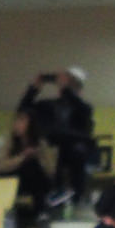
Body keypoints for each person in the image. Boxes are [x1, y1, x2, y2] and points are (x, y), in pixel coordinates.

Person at [19, 67, 93, 209]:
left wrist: (66, 87)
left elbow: (81, 112)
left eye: (73, 85)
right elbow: (23, 110)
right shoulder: (47, 106)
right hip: (50, 150)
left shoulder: (84, 108)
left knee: (75, 151)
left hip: (73, 150)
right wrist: (33, 89)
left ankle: (74, 198)